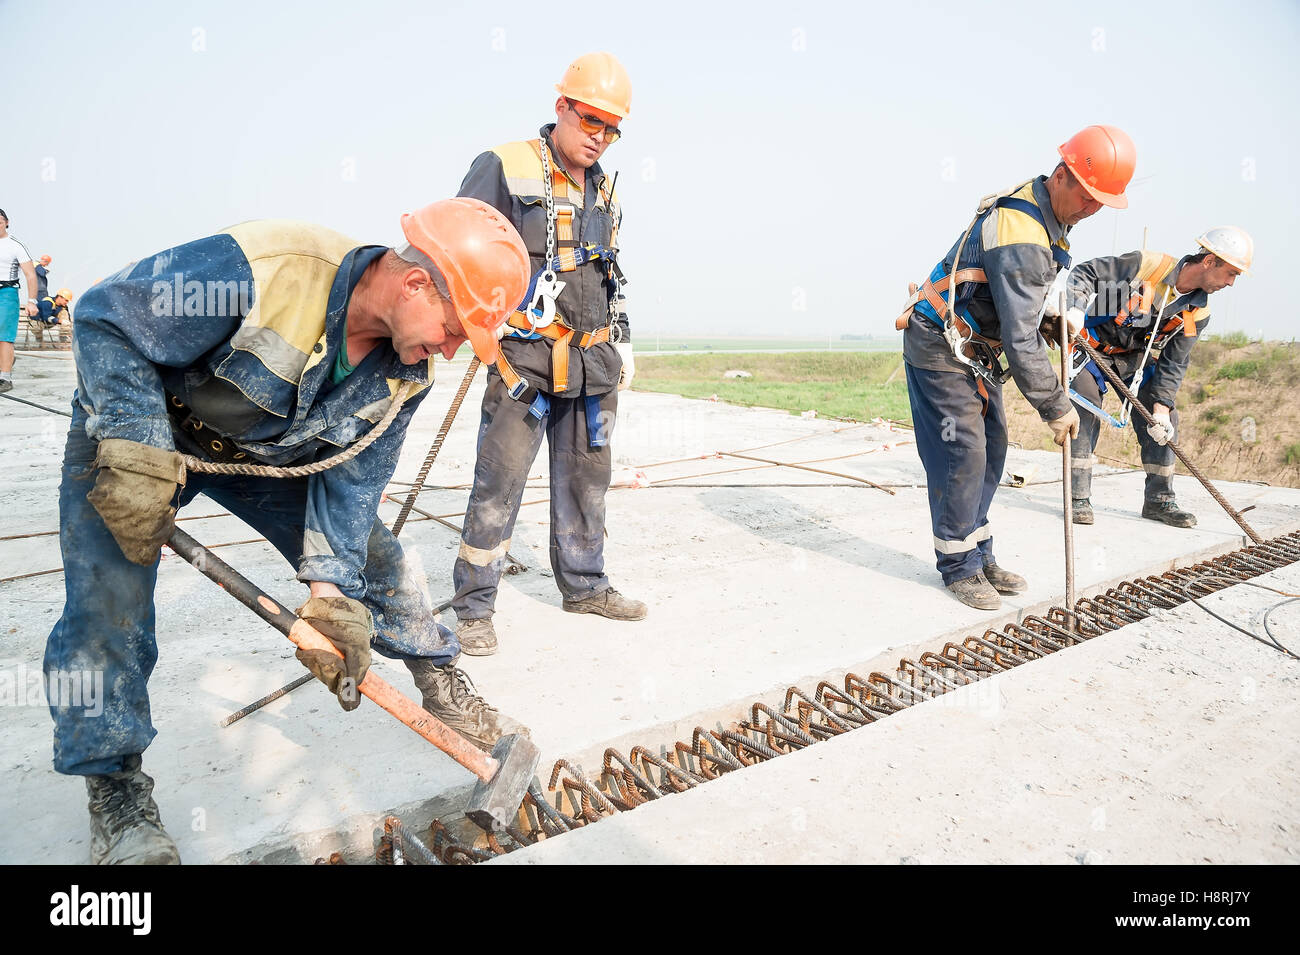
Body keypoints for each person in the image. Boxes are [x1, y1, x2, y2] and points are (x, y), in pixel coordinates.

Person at [45, 197, 532, 864]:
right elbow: (104, 315)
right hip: (139, 432)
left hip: (261, 451)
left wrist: (328, 593)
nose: (451, 349)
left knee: (379, 559)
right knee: (106, 600)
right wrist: (135, 445)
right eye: (456, 328)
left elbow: (350, 486)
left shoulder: (405, 372)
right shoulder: (270, 266)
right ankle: (115, 790)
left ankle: (440, 681)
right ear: (417, 282)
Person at [450, 52, 644, 656]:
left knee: (589, 484)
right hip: (523, 363)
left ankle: (585, 586)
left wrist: (623, 337)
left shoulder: (606, 186)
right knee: (498, 483)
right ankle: (474, 607)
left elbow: (609, 272)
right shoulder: (504, 166)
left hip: (593, 364)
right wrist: (479, 327)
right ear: (561, 106)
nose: (601, 138)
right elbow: (459, 249)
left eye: (613, 129)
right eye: (591, 121)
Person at [895, 126, 1136, 610]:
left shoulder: (1049, 218)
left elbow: (1016, 309)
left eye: (1101, 204)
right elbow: (1019, 334)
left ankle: (977, 551)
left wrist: (1049, 318)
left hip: (974, 348)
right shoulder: (1022, 228)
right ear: (1064, 174)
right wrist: (1054, 404)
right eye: (1089, 197)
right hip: (941, 344)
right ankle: (957, 565)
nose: (1092, 210)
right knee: (962, 452)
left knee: (993, 449)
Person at [1063, 227, 1252, 527]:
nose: (1230, 283)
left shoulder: (1197, 312)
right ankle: (1077, 497)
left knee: (1166, 418)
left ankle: (1159, 501)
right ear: (1209, 261)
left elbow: (1174, 363)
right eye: (1230, 273)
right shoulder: (1147, 266)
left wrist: (1161, 409)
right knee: (1084, 405)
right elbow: (1086, 273)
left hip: (1134, 360)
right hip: (1093, 347)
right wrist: (1073, 309)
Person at [0, 208, 41, 393]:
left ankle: (5, 378)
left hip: (7, 292)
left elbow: (30, 275)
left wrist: (32, 301)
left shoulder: (15, 245)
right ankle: (7, 360)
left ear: (7, 222)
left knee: (4, 336)